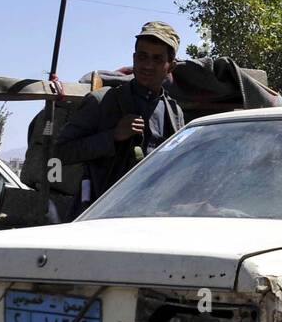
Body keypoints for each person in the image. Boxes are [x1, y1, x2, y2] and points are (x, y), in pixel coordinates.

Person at [54, 21, 186, 211]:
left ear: (170, 66)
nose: (147, 65)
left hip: (152, 215)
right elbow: (60, 153)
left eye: (157, 59)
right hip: (100, 216)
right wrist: (112, 136)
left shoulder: (174, 113)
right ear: (134, 58)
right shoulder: (102, 102)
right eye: (142, 56)